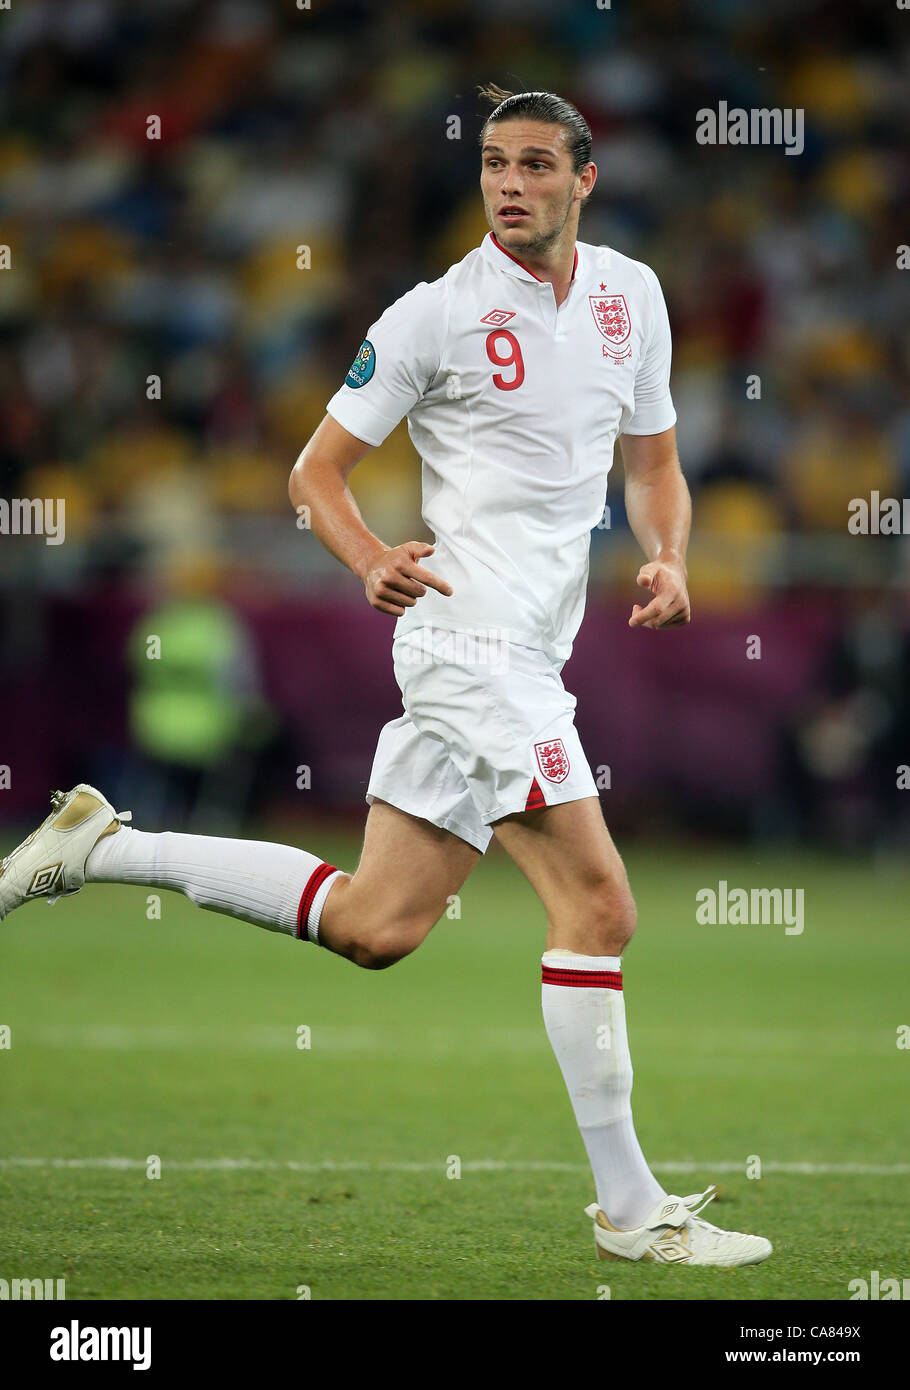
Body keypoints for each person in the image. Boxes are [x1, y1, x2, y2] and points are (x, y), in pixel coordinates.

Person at [1, 86, 770, 1268]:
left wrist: (669, 552)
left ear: (582, 179)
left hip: (530, 651)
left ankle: (98, 849)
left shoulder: (633, 298)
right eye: (492, 167)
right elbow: (315, 475)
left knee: (377, 924)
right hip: (466, 644)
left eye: (532, 165)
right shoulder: (433, 316)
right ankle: (630, 1213)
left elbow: (655, 460)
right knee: (600, 905)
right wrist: (367, 559)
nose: (508, 185)